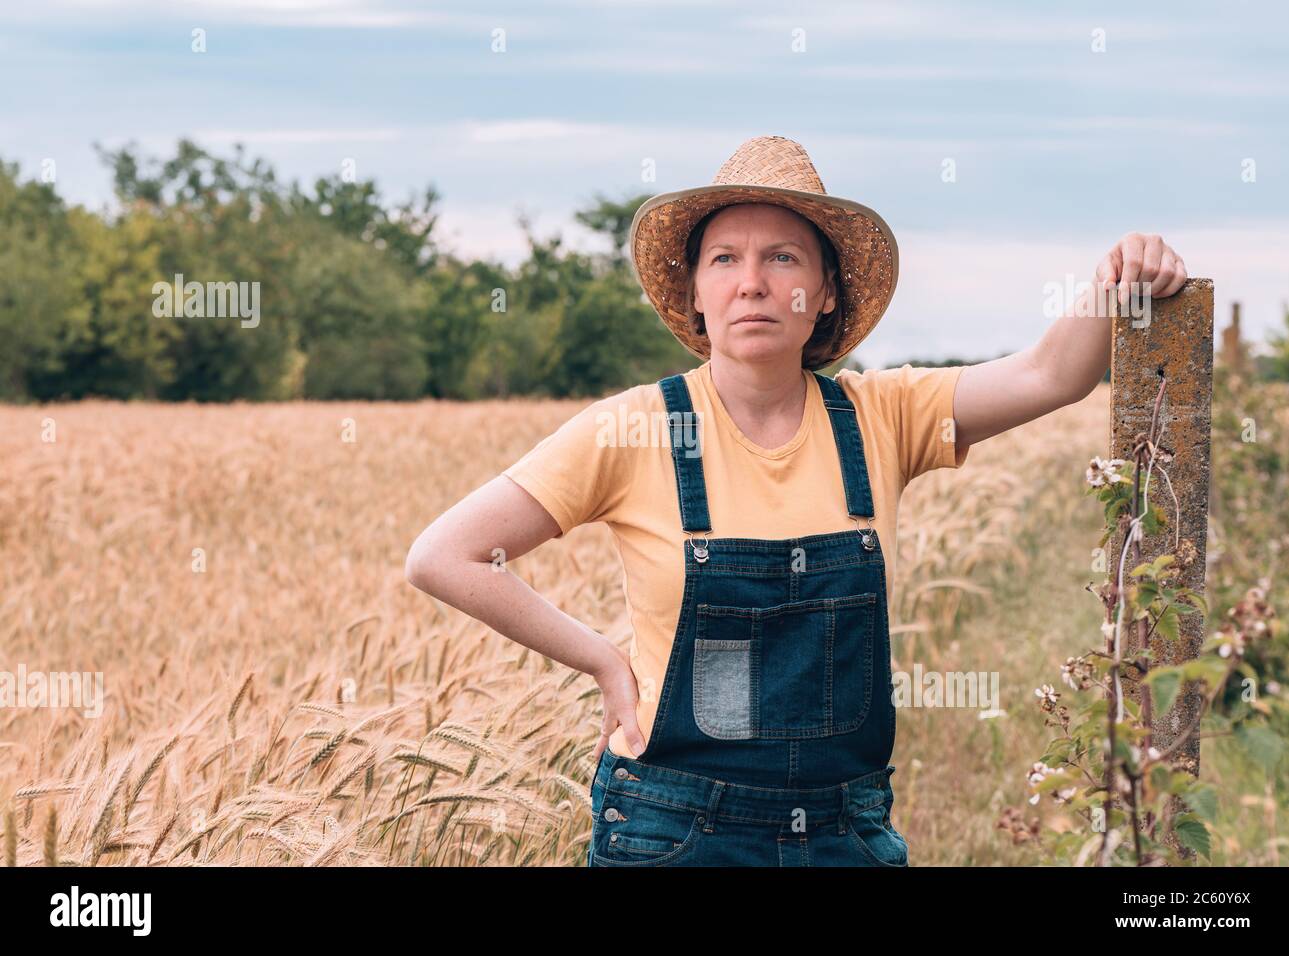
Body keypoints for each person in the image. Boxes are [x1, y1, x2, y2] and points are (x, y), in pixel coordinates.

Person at [404, 135, 1187, 866]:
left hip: (843, 829)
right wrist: (603, 662)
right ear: (696, 292)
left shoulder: (886, 416)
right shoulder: (630, 429)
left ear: (824, 292)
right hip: (673, 829)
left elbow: (1050, 376)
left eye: (783, 257)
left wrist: (1117, 276)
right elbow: (444, 556)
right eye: (725, 259)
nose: (753, 282)